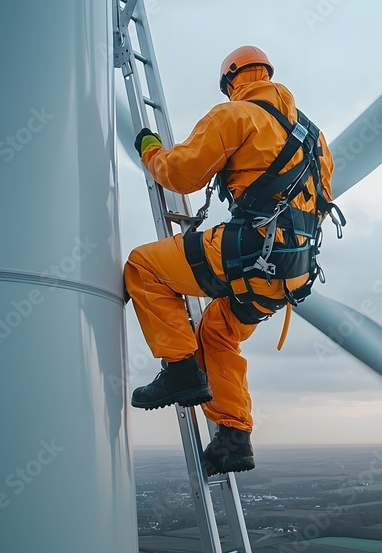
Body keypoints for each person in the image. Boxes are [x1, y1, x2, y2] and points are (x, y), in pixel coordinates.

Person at [124, 46, 343, 476]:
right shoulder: (316, 140)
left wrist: (150, 150)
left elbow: (181, 174)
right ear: (268, 74)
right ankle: (234, 438)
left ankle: (181, 370)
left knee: (143, 267)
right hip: (289, 275)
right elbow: (320, 201)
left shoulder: (235, 115)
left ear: (231, 82)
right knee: (219, 332)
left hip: (247, 253)